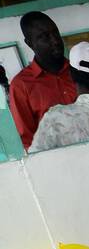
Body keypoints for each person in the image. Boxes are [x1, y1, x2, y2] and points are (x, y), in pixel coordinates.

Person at [8, 13, 76, 151]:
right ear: (30, 43)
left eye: (55, 32)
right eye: (45, 36)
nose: (55, 40)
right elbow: (27, 140)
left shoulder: (79, 70)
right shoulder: (21, 85)